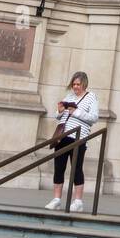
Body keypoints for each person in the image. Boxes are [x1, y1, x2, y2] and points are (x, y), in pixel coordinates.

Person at [46, 71, 99, 213]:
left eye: (78, 84)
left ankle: (78, 201)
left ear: (84, 84)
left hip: (78, 137)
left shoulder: (91, 97)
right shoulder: (69, 96)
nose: (75, 87)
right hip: (62, 136)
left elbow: (94, 117)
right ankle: (56, 199)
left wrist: (75, 112)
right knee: (59, 167)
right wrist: (60, 111)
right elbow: (59, 117)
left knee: (76, 169)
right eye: (74, 84)